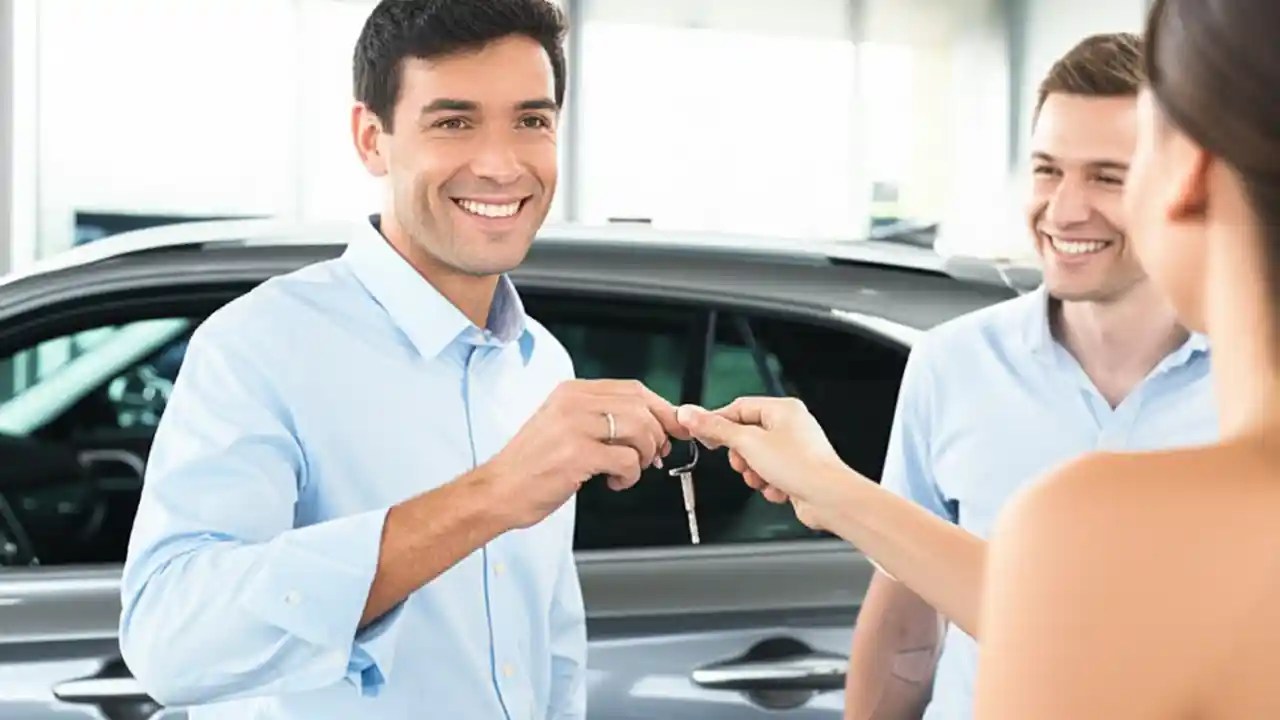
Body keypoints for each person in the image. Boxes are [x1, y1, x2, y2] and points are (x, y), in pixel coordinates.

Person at [680, 0, 1280, 715]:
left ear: (1189, 174)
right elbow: (916, 613)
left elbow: (1072, 629)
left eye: (1117, 174)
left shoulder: (1077, 518)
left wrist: (832, 490)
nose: (1065, 209)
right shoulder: (953, 363)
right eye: (1048, 170)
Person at [119, 1, 685, 718]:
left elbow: (551, 654)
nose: (501, 164)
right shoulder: (261, 346)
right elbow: (173, 645)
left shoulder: (545, 367)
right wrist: (489, 496)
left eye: (531, 121)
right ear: (371, 139)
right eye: (454, 122)